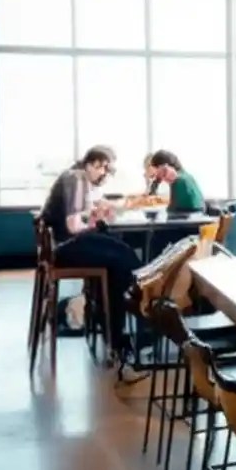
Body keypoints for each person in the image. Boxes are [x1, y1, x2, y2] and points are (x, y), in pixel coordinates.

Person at [40, 145, 142, 353]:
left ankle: (112, 330)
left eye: (106, 169)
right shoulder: (76, 179)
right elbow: (73, 226)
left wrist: (93, 219)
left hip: (62, 245)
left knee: (121, 258)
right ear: (89, 164)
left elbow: (79, 219)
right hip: (66, 247)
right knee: (125, 260)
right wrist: (94, 223)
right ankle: (117, 332)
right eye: (100, 167)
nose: (103, 172)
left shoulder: (75, 177)